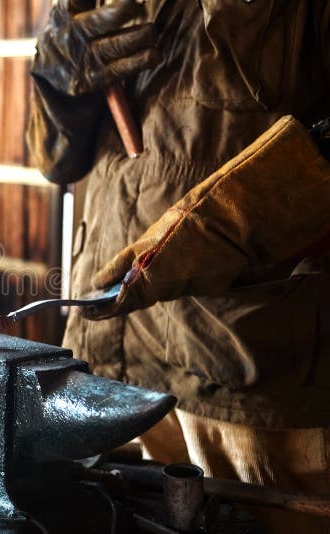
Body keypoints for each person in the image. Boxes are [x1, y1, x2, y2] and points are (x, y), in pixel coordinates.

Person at [26, 0, 330, 530]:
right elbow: (56, 161)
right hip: (105, 373)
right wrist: (57, 80)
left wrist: (224, 226)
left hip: (244, 379)